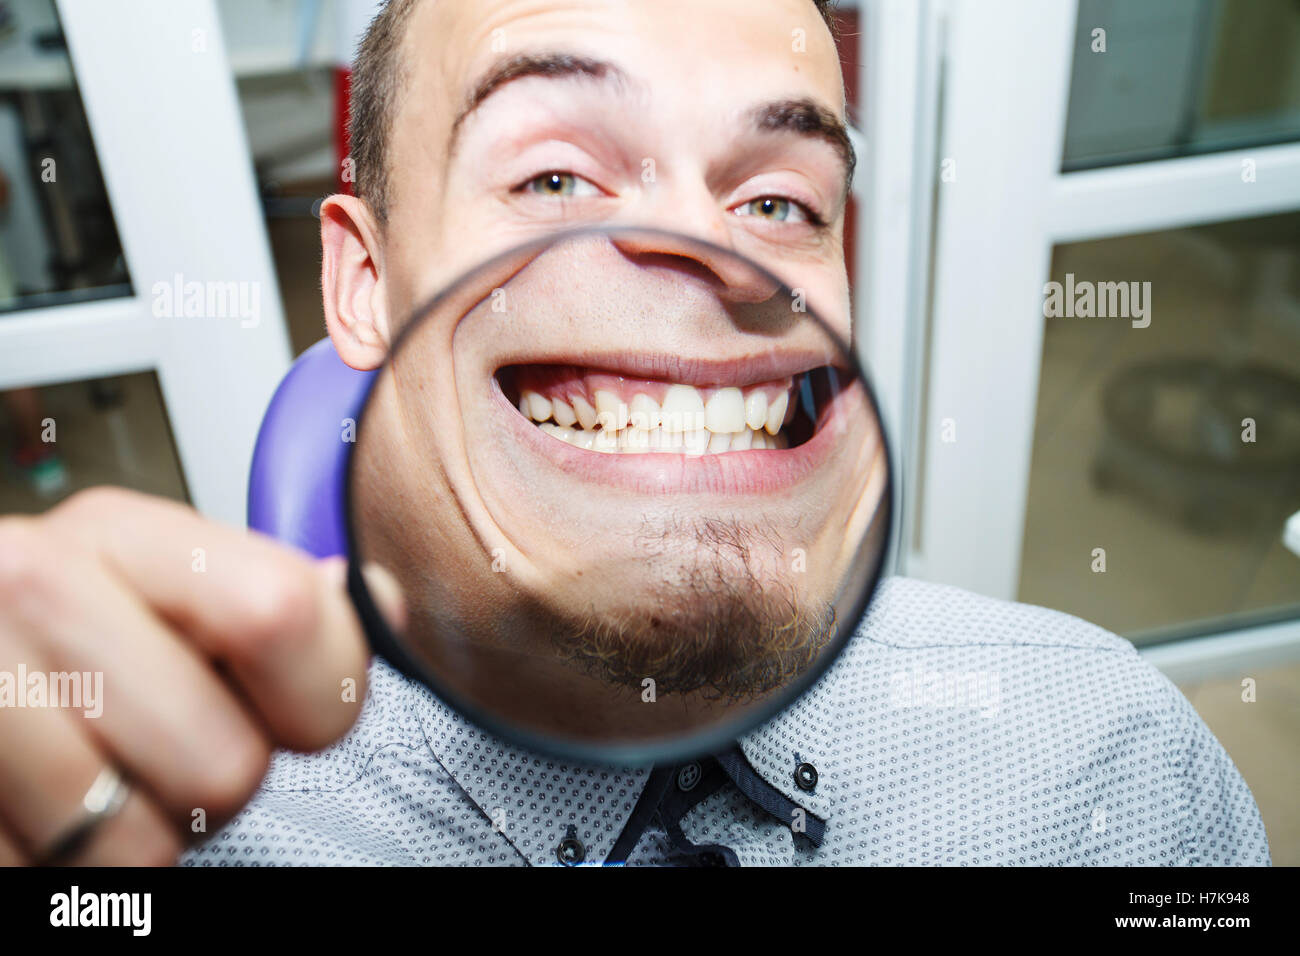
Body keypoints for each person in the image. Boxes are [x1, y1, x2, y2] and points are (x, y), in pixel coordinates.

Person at [0, 0, 1269, 866]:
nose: (703, 250)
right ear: (363, 286)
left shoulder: (1110, 762)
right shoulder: (158, 831)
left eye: (778, 197)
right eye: (553, 176)